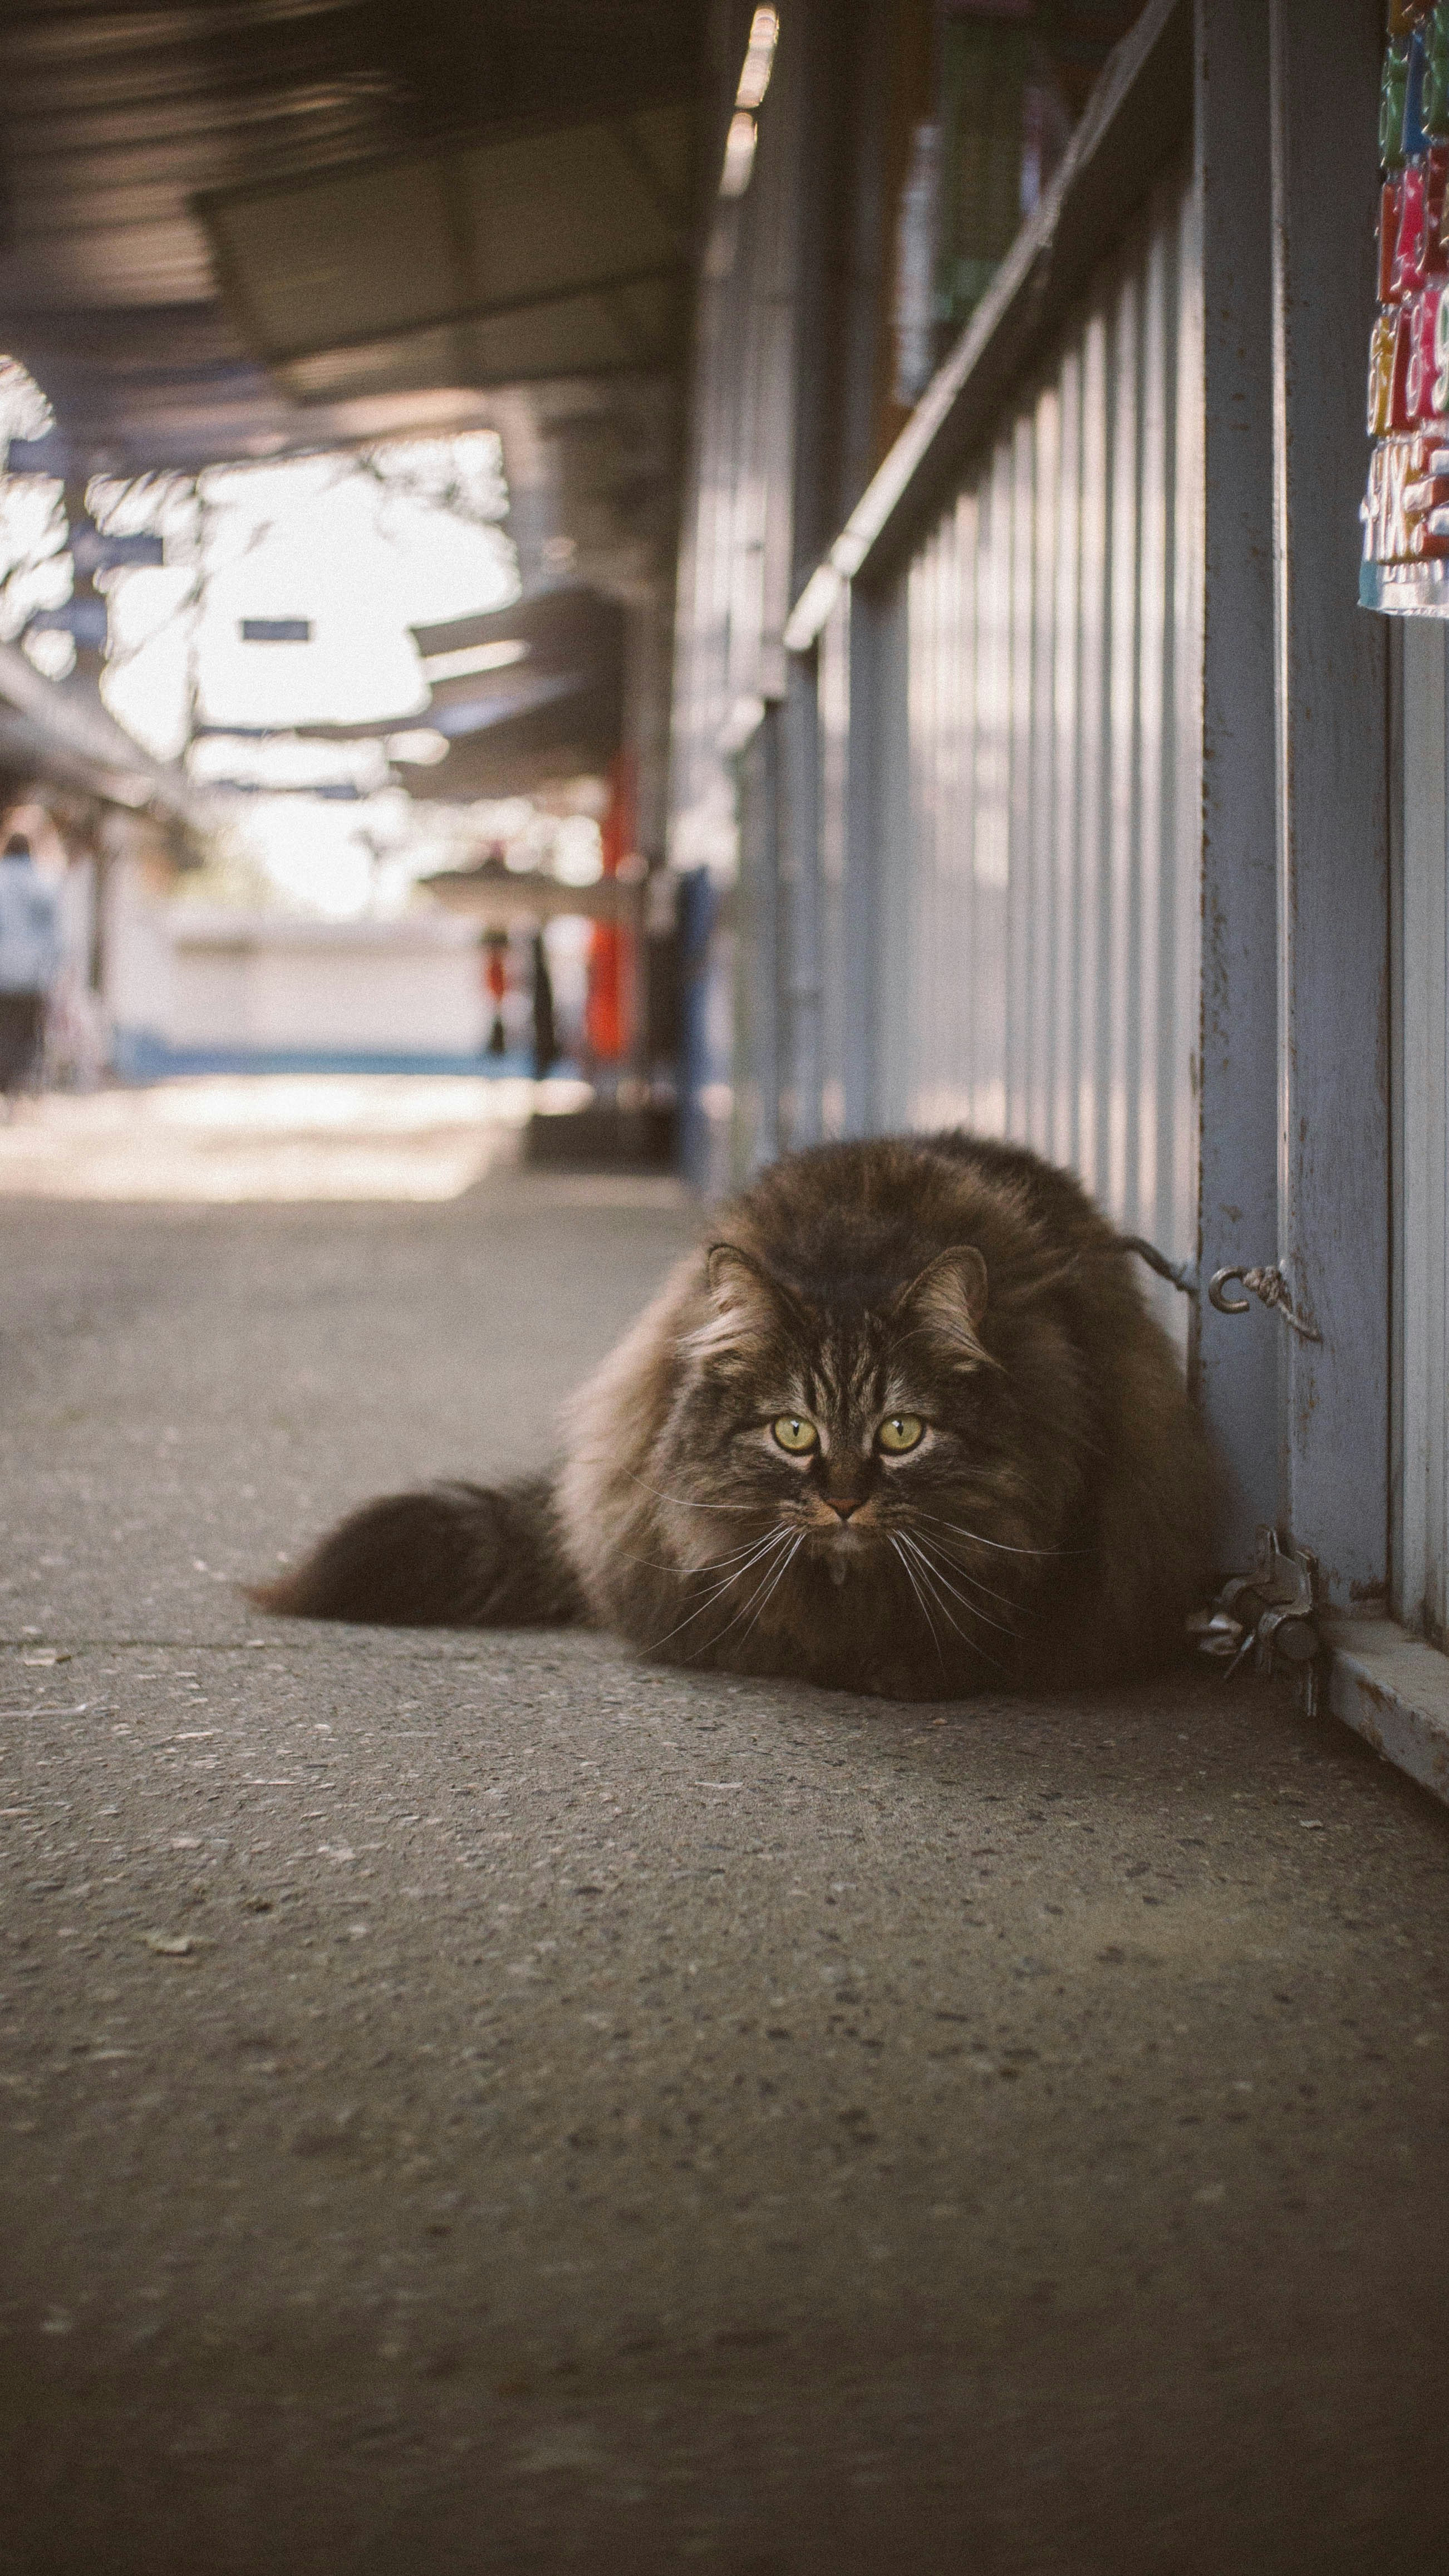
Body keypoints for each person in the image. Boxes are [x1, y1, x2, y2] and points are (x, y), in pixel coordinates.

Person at [0, 831, 63, 1106]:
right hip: (33, 979)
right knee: (29, 1034)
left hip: (2, 975)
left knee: (3, 1032)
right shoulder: (43, 882)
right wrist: (51, 972)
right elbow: (56, 938)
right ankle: (23, 1093)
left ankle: (4, 1092)